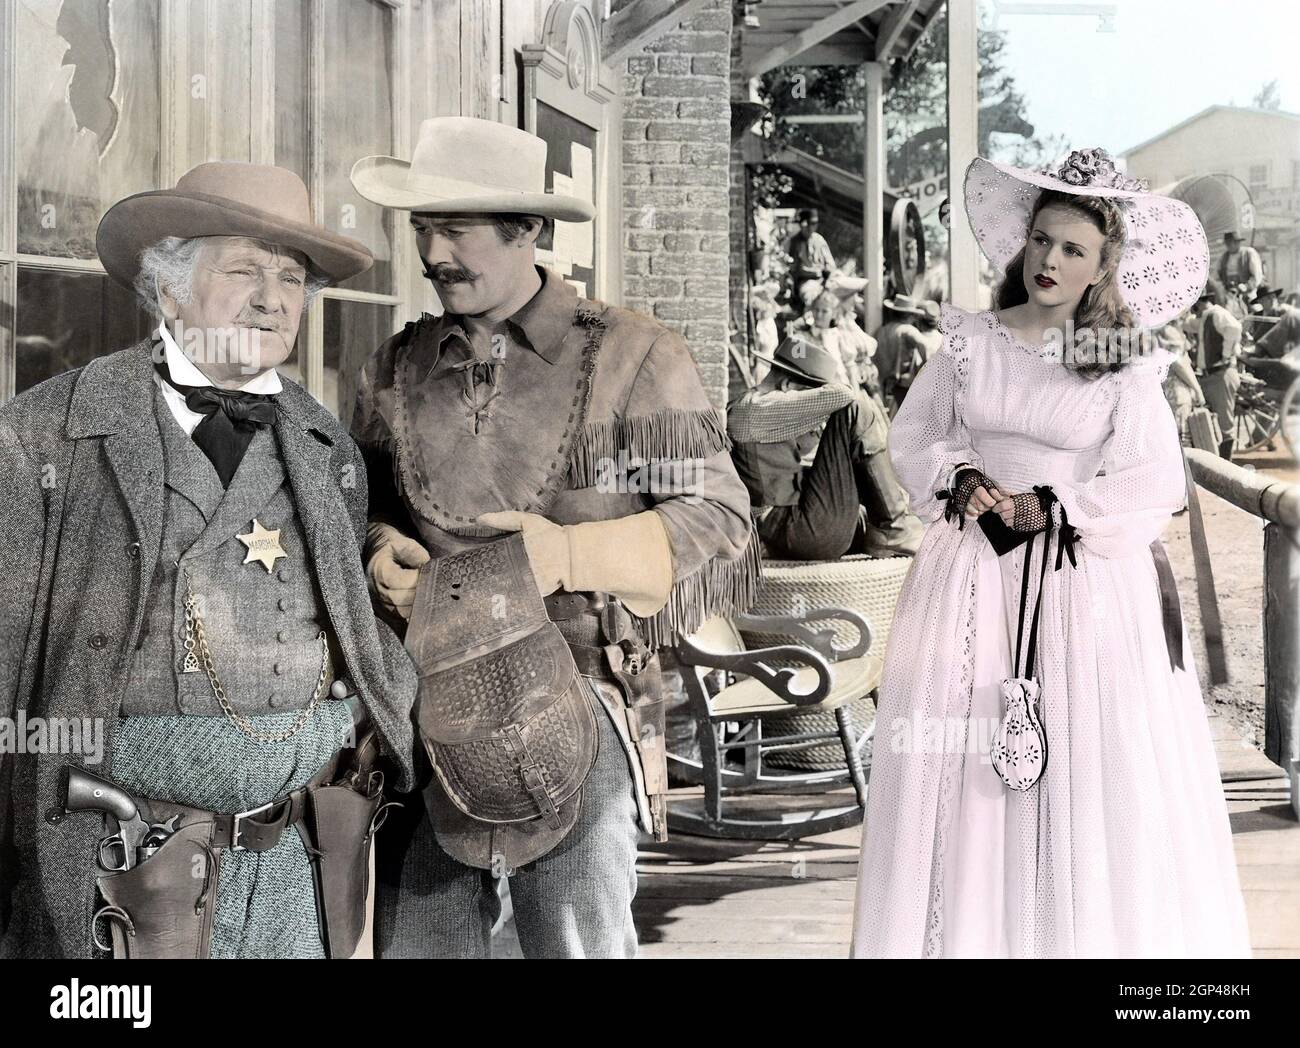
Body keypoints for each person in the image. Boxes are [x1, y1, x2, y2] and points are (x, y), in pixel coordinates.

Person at [347, 117, 757, 959]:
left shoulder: (636, 356)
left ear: (528, 230)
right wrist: (378, 545)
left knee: (576, 943)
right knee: (416, 946)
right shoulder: (395, 366)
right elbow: (359, 504)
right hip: (422, 699)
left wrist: (568, 556)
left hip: (581, 691)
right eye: (422, 228)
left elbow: (721, 522)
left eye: (454, 229)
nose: (432, 252)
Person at [0, 162, 419, 959]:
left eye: (291, 278)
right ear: (167, 289)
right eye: (243, 272)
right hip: (115, 864)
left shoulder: (329, 448)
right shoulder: (39, 441)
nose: (273, 299)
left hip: (300, 864)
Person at [852, 148, 1251, 958]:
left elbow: (1153, 478)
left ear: (1104, 266)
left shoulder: (1117, 357)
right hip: (970, 570)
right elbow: (918, 434)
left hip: (1080, 580)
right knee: (963, 757)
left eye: (1073, 249)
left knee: (1080, 760)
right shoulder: (971, 341)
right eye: (1041, 241)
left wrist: (1060, 504)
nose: (1050, 261)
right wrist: (959, 478)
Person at [728, 334, 924, 561]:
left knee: (871, 517)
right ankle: (896, 528)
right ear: (787, 386)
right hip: (794, 530)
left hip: (793, 527)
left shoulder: (754, 408)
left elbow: (788, 457)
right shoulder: (755, 408)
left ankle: (893, 526)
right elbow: (845, 394)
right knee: (856, 410)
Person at [1190, 279, 1243, 459]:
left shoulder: (1216, 313)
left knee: (1224, 424)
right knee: (1217, 422)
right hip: (1211, 375)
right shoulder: (1205, 317)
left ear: (1198, 303)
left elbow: (1235, 328)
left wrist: (1226, 354)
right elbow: (1187, 324)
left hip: (1221, 374)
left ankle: (1225, 469)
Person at [873, 294, 932, 410]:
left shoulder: (881, 331)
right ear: (909, 315)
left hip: (884, 384)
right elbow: (927, 348)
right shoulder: (908, 330)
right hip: (904, 384)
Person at [787, 208, 837, 313]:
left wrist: (827, 270)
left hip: (824, 280)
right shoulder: (794, 243)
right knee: (811, 296)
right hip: (806, 282)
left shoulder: (819, 240)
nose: (811, 227)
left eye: (814, 223)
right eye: (808, 224)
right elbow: (793, 269)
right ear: (802, 224)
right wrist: (812, 272)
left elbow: (831, 264)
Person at [1218, 230, 1263, 300]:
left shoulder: (1249, 253)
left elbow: (1257, 275)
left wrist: (1246, 286)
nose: (1228, 245)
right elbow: (1218, 276)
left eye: (1230, 242)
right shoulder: (1223, 257)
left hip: (1247, 294)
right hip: (1228, 295)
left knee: (1255, 308)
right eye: (1227, 243)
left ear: (1237, 242)